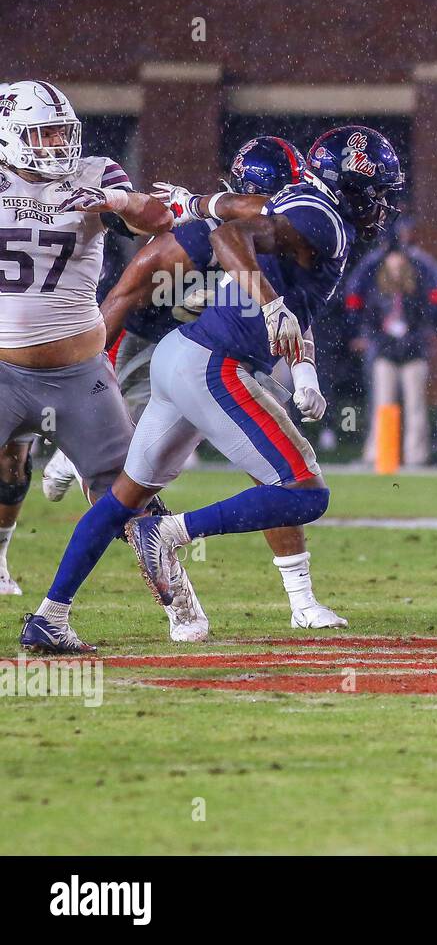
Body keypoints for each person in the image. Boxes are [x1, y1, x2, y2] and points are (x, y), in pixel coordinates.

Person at [21, 125, 404, 652]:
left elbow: (244, 241)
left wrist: (200, 204)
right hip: (216, 364)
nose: (382, 205)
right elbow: (228, 237)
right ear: (353, 184)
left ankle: (50, 615)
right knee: (305, 492)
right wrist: (267, 302)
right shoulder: (322, 218)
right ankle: (172, 533)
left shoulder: (301, 204)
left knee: (122, 499)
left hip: (185, 355)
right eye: (378, 191)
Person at [89, 135, 349, 631]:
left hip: (236, 356)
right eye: (274, 200)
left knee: (273, 471)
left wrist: (304, 371)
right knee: (116, 482)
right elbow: (123, 296)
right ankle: (176, 603)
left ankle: (300, 599)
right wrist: (90, 377)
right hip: (155, 354)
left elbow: (297, 301)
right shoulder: (197, 237)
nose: (286, 209)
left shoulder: (277, 233)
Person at [0, 80, 196, 654]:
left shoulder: (94, 173)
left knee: (129, 493)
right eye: (43, 134)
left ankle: (181, 602)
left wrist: (120, 202)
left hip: (79, 371)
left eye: (63, 132)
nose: (57, 145)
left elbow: (159, 219)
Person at [356, 247, 437, 466]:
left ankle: (416, 455)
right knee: (382, 404)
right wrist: (386, 342)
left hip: (413, 355)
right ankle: (377, 452)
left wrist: (411, 340)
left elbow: (426, 322)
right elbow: (370, 324)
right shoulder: (377, 292)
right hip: (386, 354)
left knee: (416, 406)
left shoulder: (417, 290)